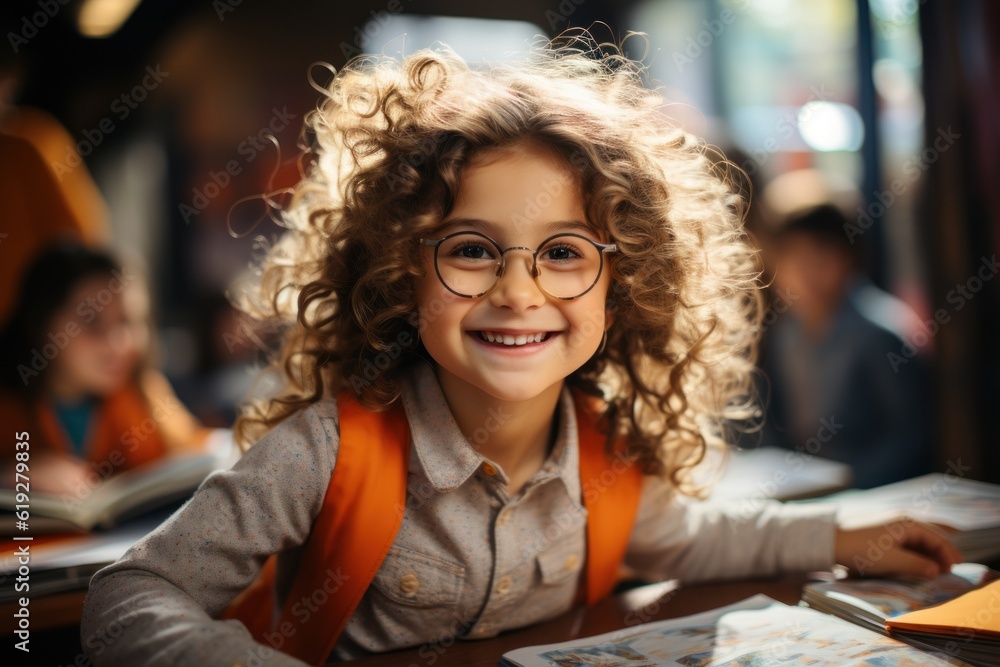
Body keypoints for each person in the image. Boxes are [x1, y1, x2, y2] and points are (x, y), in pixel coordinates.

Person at [80, 33, 960, 666]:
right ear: (400, 271)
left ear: (623, 287)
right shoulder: (329, 450)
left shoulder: (607, 450)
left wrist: (848, 531)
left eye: (566, 253)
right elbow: (128, 600)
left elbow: (696, 539)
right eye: (470, 248)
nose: (518, 290)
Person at [0, 242, 212, 495]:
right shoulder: (8, 403)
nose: (117, 343)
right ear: (41, 324)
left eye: (127, 321)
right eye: (91, 320)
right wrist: (11, 474)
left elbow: (194, 447)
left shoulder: (139, 391)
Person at [757, 203, 934, 488]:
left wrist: (850, 484)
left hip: (871, 491)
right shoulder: (785, 333)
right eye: (794, 259)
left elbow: (910, 438)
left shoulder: (881, 333)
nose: (806, 274)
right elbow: (776, 423)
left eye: (820, 258)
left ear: (849, 258)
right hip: (809, 484)